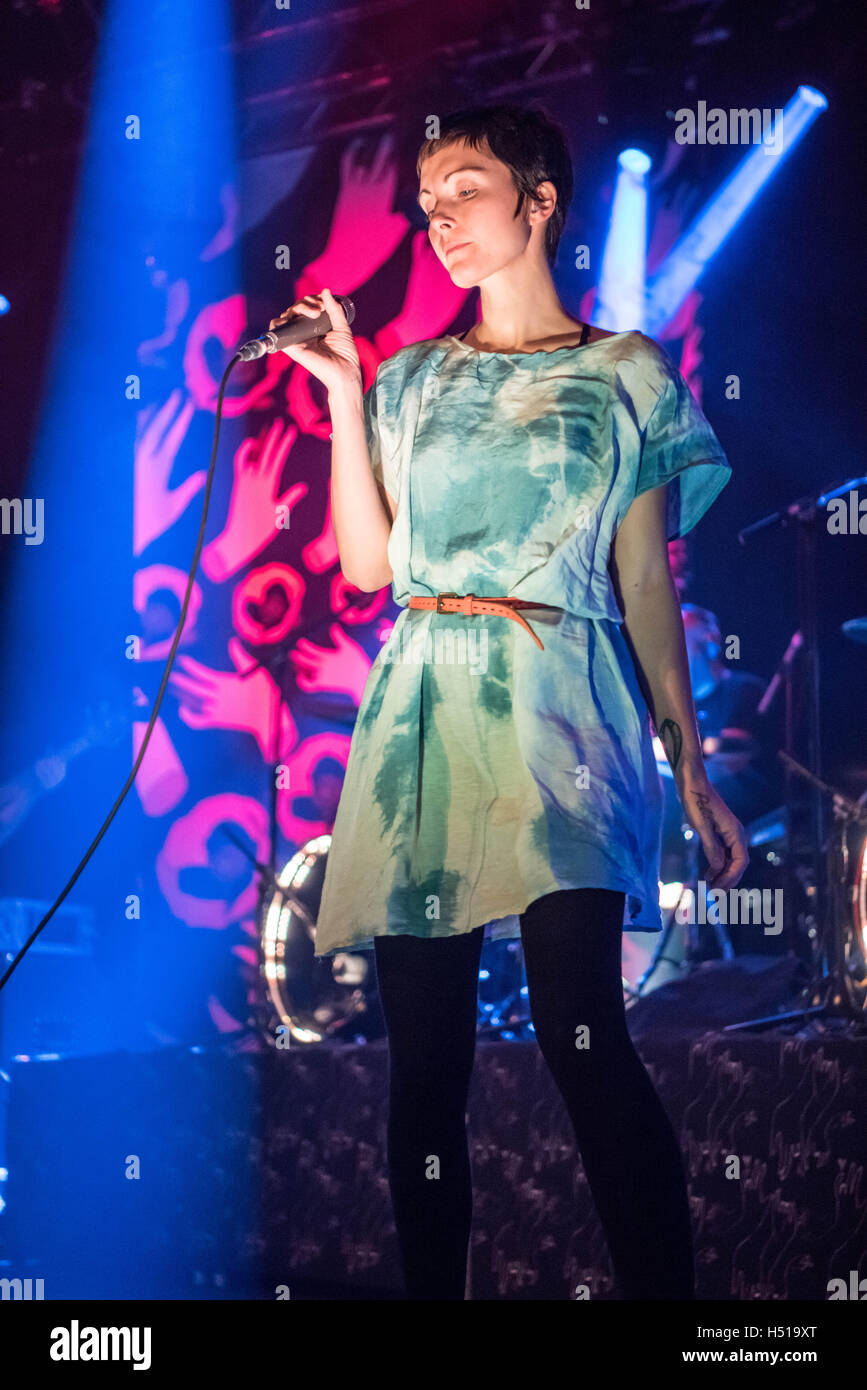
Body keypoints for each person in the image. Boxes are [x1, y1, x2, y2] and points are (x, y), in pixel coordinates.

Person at [269, 104, 749, 1301]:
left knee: (583, 1031)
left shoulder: (623, 372)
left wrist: (688, 761)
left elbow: (644, 580)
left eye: (464, 190)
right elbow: (373, 568)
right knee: (423, 1068)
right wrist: (342, 393)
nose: (437, 222)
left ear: (538, 201)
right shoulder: (414, 378)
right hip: (422, 713)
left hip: (560, 714)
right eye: (426, 202)